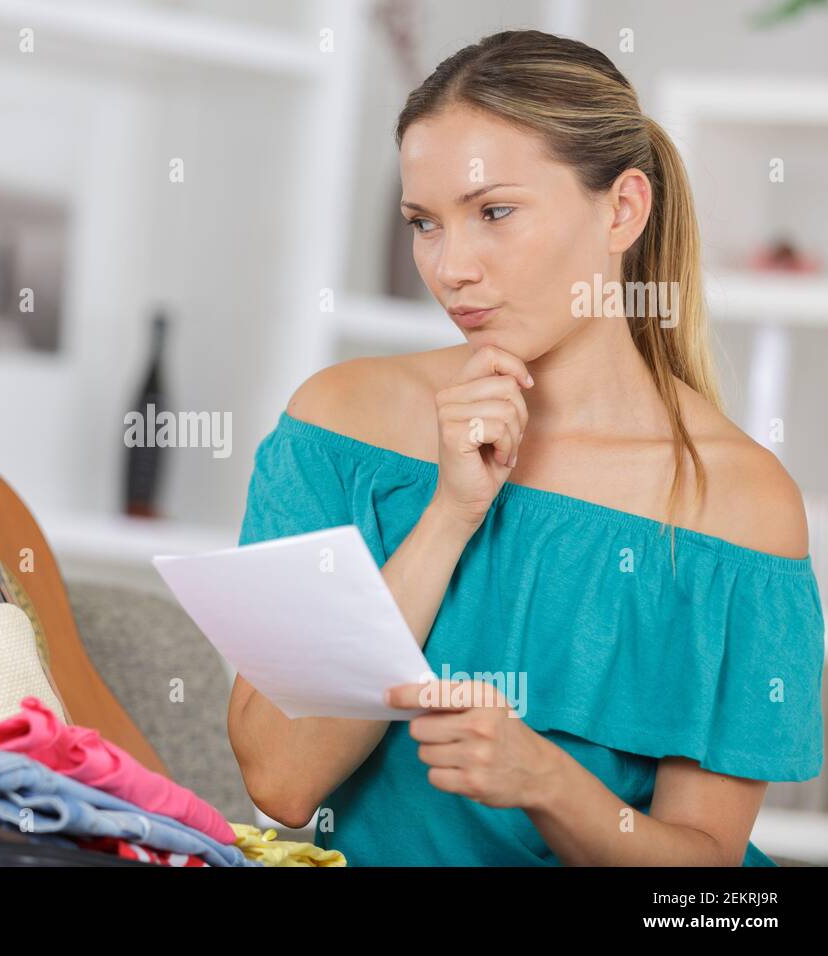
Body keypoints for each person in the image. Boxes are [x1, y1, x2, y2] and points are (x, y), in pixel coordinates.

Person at [227, 30, 825, 866]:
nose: (451, 267)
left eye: (494, 212)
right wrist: (447, 517)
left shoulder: (739, 502)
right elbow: (282, 779)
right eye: (423, 223)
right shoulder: (340, 424)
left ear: (622, 209)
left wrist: (546, 781)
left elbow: (704, 885)